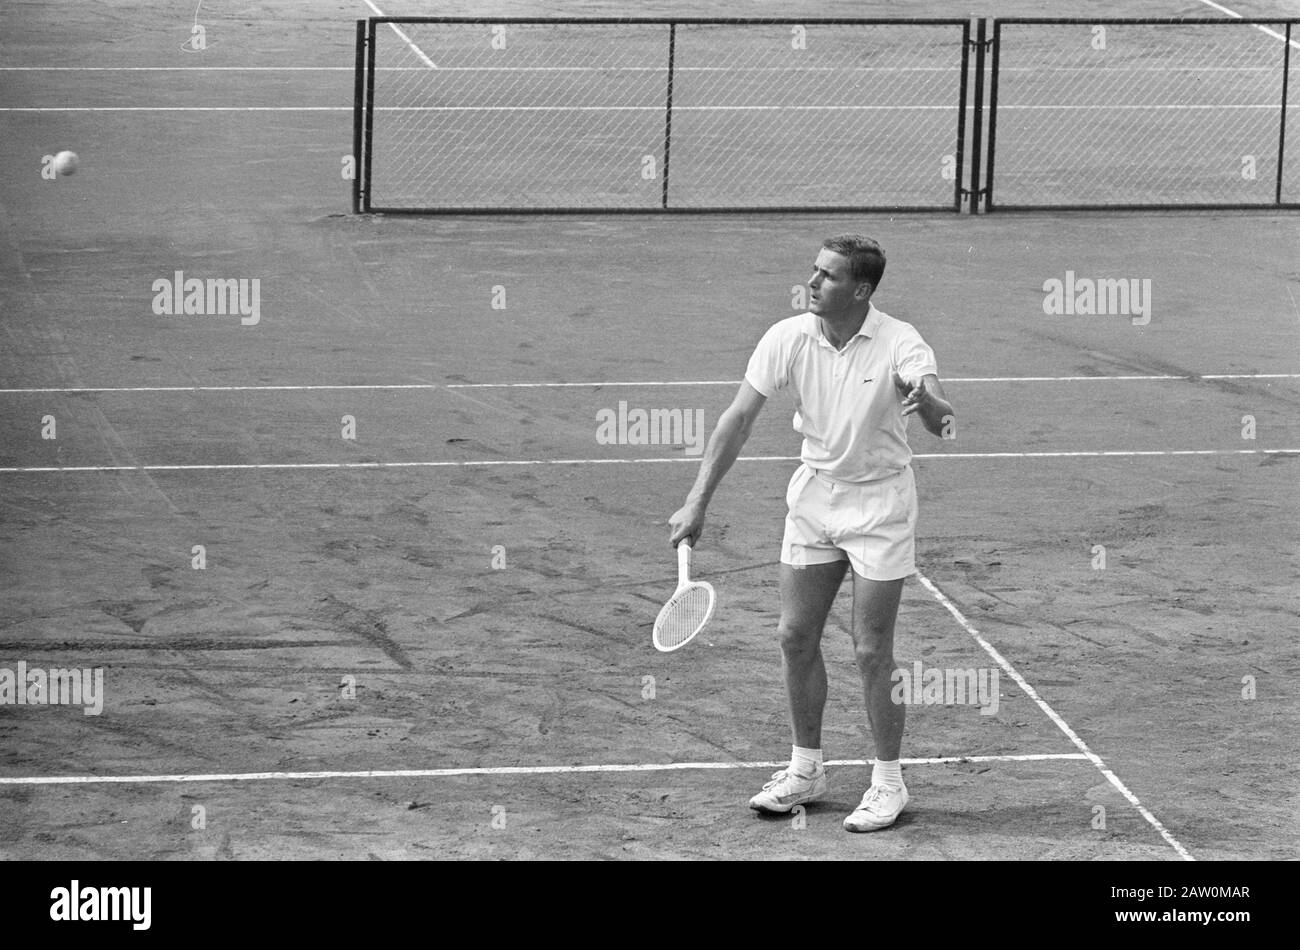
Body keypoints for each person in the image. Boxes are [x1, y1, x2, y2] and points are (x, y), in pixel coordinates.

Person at [668, 234, 954, 832]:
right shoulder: (788, 337)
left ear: (861, 289)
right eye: (814, 271)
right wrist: (697, 500)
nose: (814, 282)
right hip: (816, 496)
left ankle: (887, 783)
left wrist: (922, 401)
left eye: (828, 276)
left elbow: (940, 415)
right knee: (795, 636)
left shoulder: (902, 342)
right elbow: (738, 419)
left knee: (872, 649)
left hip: (880, 505)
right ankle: (807, 769)